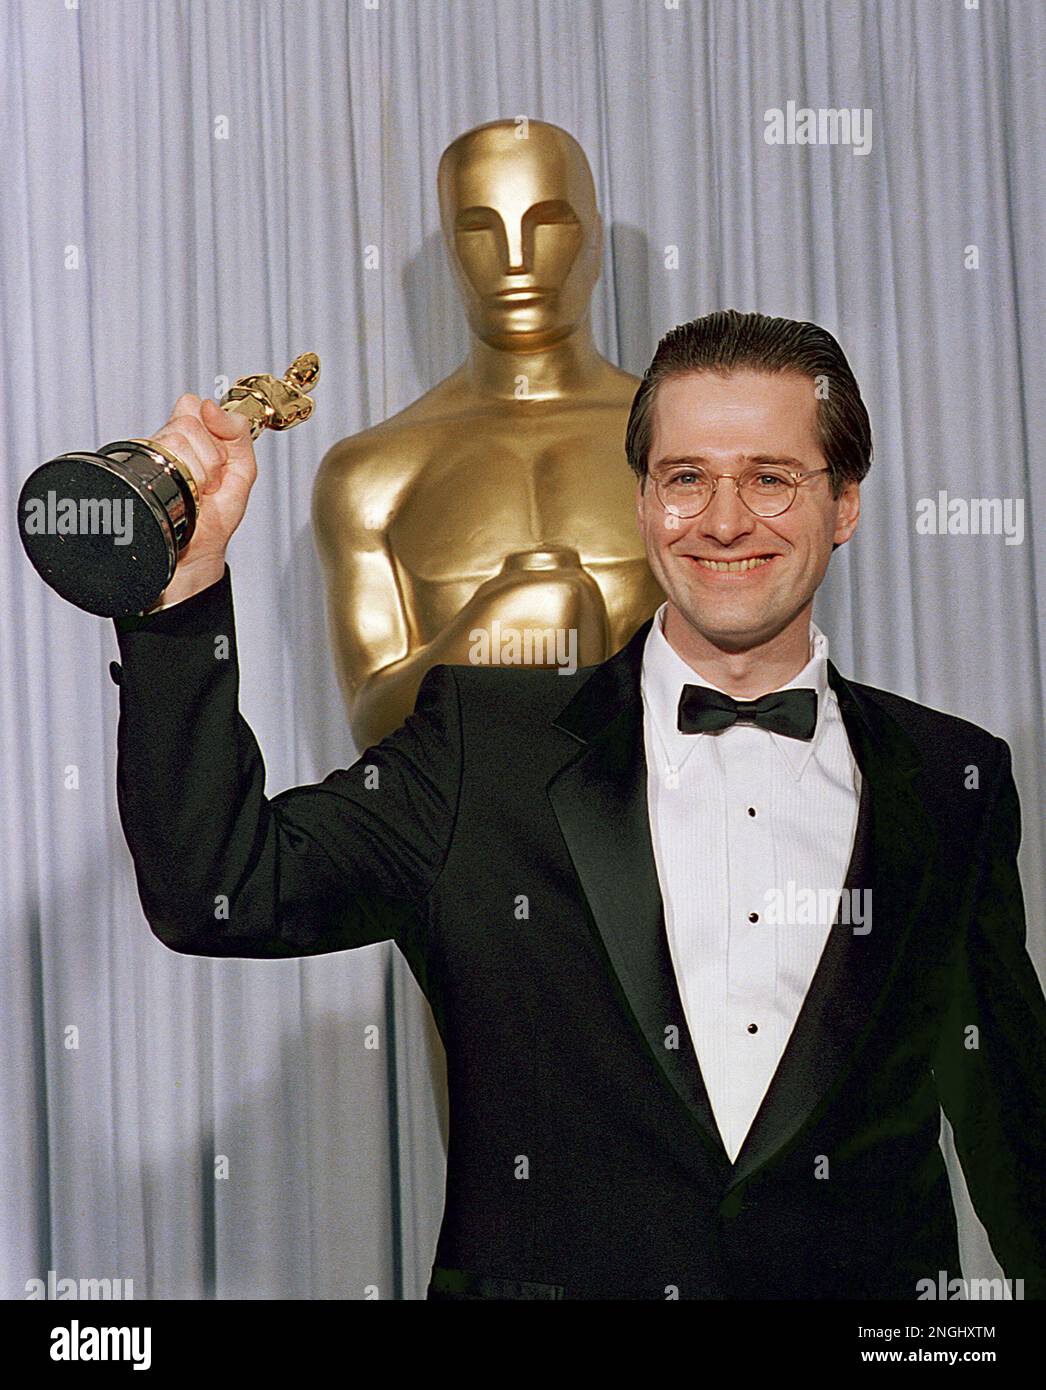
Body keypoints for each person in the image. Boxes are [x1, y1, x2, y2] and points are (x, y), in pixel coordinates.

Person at [109, 309, 1046, 1300]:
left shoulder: (948, 781)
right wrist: (180, 589)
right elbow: (219, 887)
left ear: (844, 502)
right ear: (642, 502)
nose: (724, 518)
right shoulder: (483, 746)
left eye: (770, 477)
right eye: (685, 478)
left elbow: (1012, 1131)